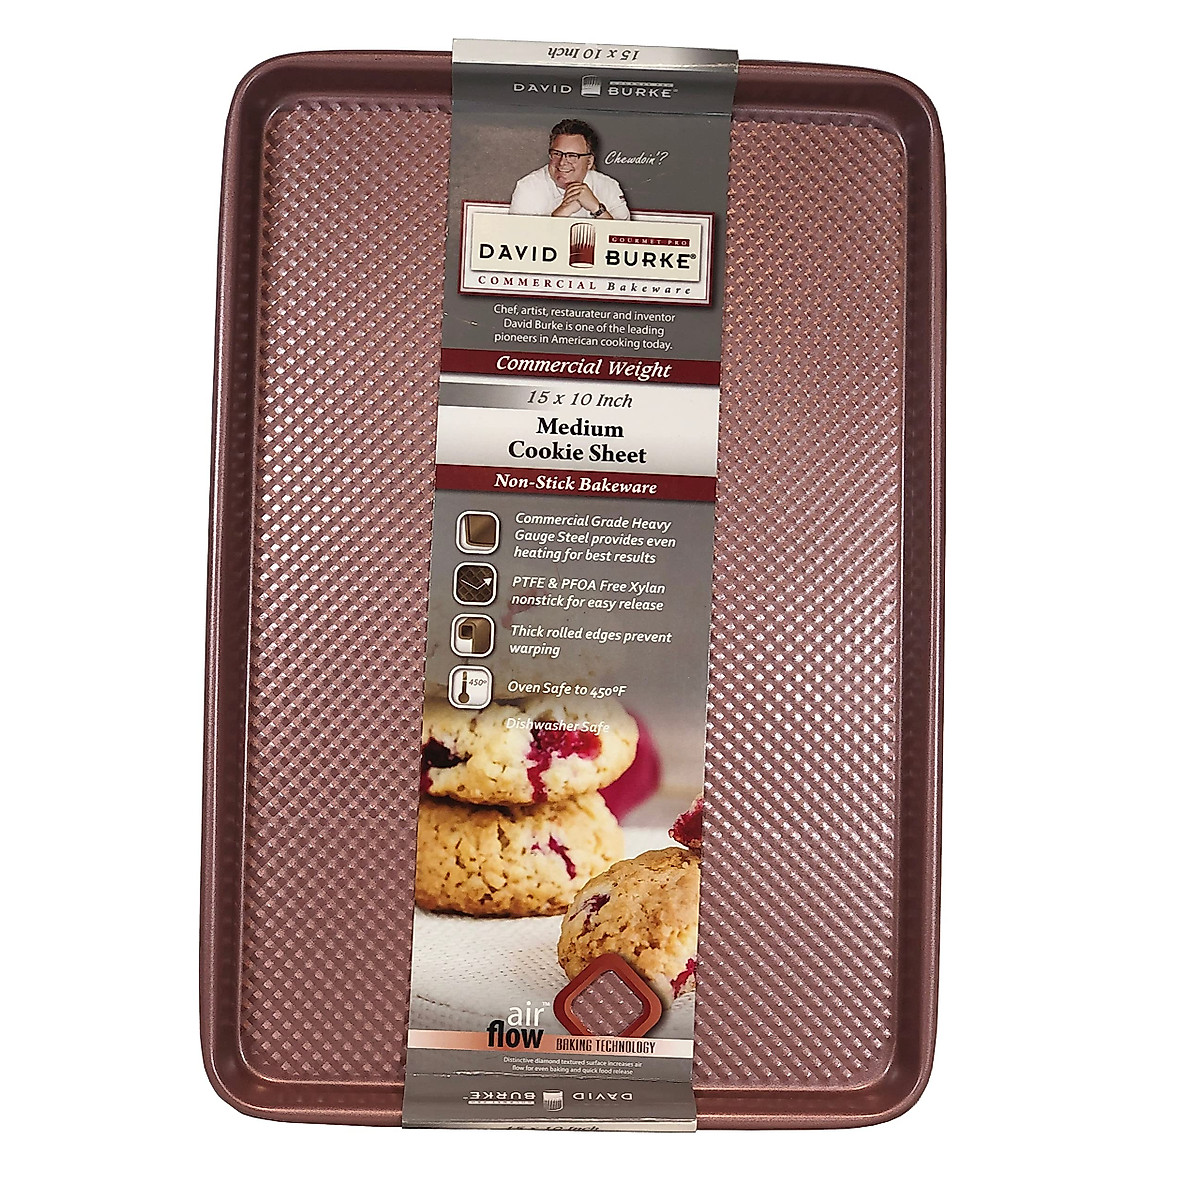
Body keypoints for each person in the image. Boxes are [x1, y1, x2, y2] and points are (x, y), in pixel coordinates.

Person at [509, 120, 630, 220]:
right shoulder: (528, 186)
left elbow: (624, 237)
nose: (562, 162)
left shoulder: (609, 186)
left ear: (589, 162)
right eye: (557, 153)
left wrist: (597, 209)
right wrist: (561, 213)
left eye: (572, 156)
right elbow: (519, 238)